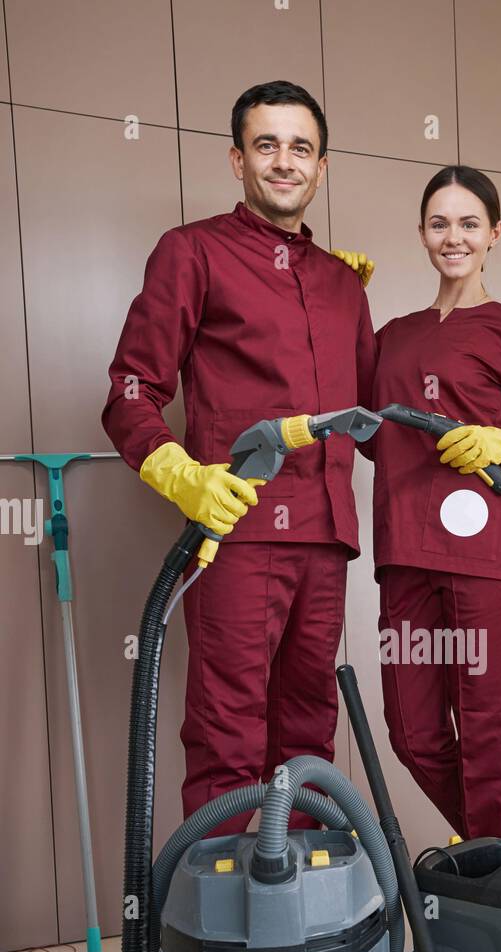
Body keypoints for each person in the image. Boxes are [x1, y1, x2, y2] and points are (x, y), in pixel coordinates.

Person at [102, 80, 376, 833]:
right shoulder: (192, 252)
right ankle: (219, 895)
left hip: (327, 537)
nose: (284, 161)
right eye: (266, 145)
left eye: (300, 148)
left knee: (310, 738)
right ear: (237, 160)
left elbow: (376, 417)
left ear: (321, 167)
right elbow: (129, 391)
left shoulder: (343, 283)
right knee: (227, 736)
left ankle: (307, 896)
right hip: (239, 533)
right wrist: (180, 475)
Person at [369, 165, 501, 840]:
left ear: (494, 233)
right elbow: (368, 435)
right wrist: (337, 298)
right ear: (422, 233)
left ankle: (490, 870)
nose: (453, 237)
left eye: (468, 223)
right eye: (439, 224)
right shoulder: (391, 336)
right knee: (411, 731)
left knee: (483, 720)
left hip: (485, 553)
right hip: (404, 552)